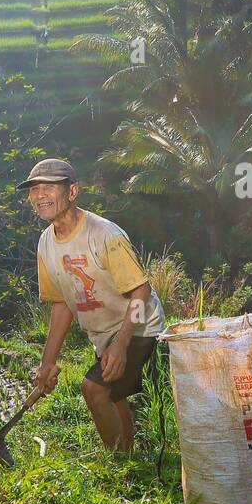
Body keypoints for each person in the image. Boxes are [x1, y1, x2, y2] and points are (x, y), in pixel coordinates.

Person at [20, 158, 164, 452]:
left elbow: (141, 289)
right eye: (34, 189)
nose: (40, 195)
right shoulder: (46, 243)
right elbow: (61, 304)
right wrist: (47, 363)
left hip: (138, 327)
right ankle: (129, 453)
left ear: (72, 192)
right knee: (113, 394)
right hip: (103, 333)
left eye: (49, 187)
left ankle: (117, 464)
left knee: (94, 389)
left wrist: (121, 344)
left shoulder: (104, 234)